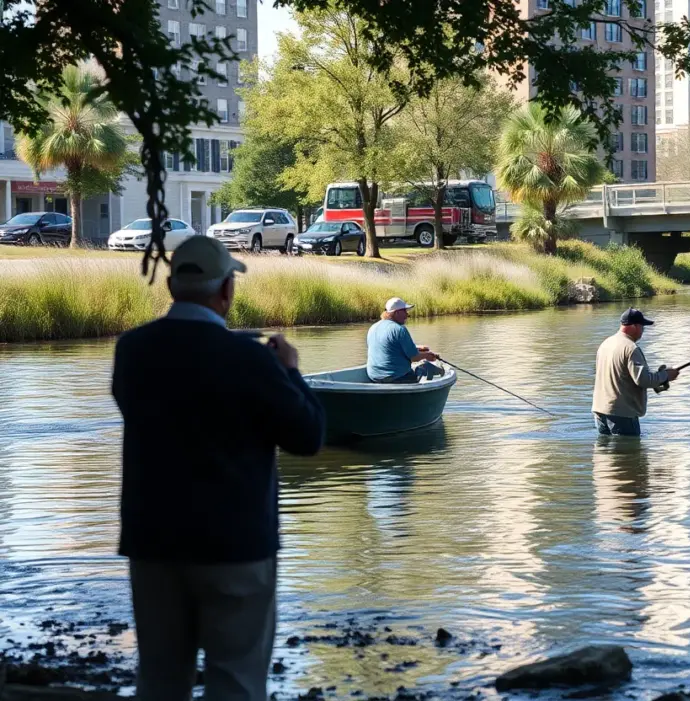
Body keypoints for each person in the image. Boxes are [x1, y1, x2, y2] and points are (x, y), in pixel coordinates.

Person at [111, 236, 325, 701]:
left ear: (171, 286)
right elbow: (307, 437)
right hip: (236, 546)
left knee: (159, 680)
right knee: (236, 681)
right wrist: (289, 370)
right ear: (227, 290)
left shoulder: (132, 350)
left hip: (154, 544)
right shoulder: (250, 359)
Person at [591, 308, 679, 437]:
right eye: (642, 326)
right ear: (634, 326)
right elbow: (643, 380)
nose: (643, 330)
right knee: (628, 456)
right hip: (621, 413)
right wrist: (666, 375)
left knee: (604, 455)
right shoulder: (631, 348)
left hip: (600, 410)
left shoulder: (606, 343)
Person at [366, 297, 443, 383]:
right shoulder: (399, 329)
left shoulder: (373, 327)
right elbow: (414, 357)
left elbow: (388, 346)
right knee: (424, 368)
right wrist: (427, 355)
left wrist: (417, 348)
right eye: (405, 311)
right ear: (396, 313)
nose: (407, 315)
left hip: (374, 377)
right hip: (396, 377)